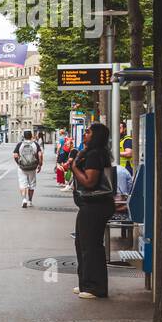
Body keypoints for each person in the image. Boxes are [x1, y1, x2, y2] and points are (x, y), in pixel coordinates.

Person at [69, 122, 116, 298]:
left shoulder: (95, 155)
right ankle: (85, 283)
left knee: (91, 246)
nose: (85, 134)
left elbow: (89, 182)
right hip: (92, 205)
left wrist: (74, 167)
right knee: (83, 243)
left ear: (95, 136)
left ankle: (95, 287)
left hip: (96, 205)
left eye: (88, 132)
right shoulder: (94, 153)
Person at [12, 129, 42, 208]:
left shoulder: (20, 144)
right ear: (31, 136)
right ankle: (30, 201)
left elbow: (15, 155)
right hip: (32, 167)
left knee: (23, 184)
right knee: (32, 185)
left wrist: (19, 163)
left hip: (22, 167)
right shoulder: (35, 144)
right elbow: (40, 155)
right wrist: (40, 165)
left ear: (24, 136)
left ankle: (24, 199)